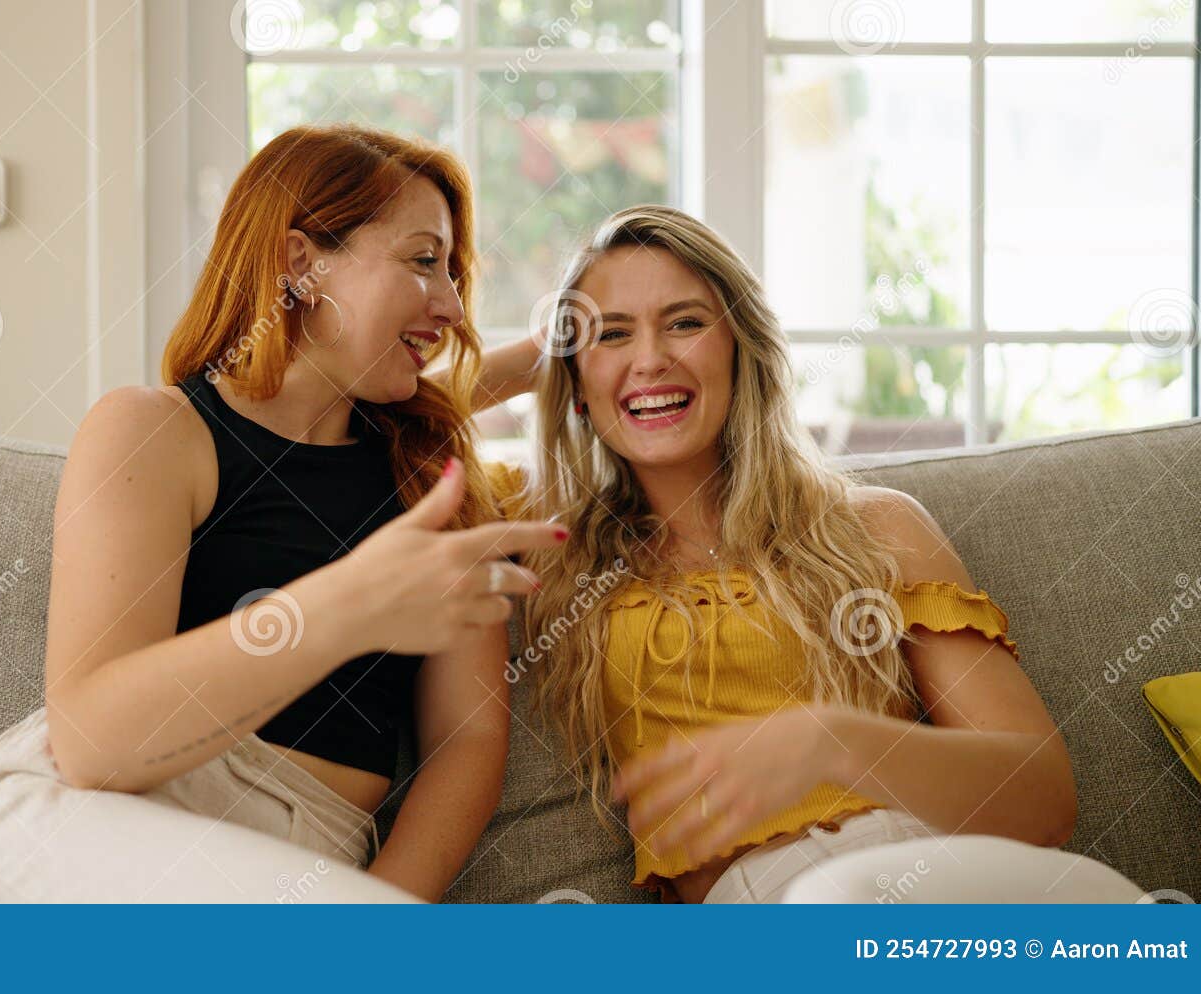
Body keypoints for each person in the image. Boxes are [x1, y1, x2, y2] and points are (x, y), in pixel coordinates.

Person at [0, 124, 563, 904]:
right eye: (425, 260)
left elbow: (470, 745)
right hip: (73, 831)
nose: (454, 306)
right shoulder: (155, 433)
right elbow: (92, 745)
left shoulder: (428, 475)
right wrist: (349, 607)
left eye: (454, 272)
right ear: (301, 264)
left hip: (303, 867)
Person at [483, 204, 1145, 904]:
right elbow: (381, 422)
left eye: (684, 322)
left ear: (742, 349)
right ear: (574, 382)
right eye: (612, 334)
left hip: (955, 883)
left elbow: (1042, 800)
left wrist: (835, 742)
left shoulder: (876, 527)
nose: (650, 359)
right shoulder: (553, 540)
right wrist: (542, 355)